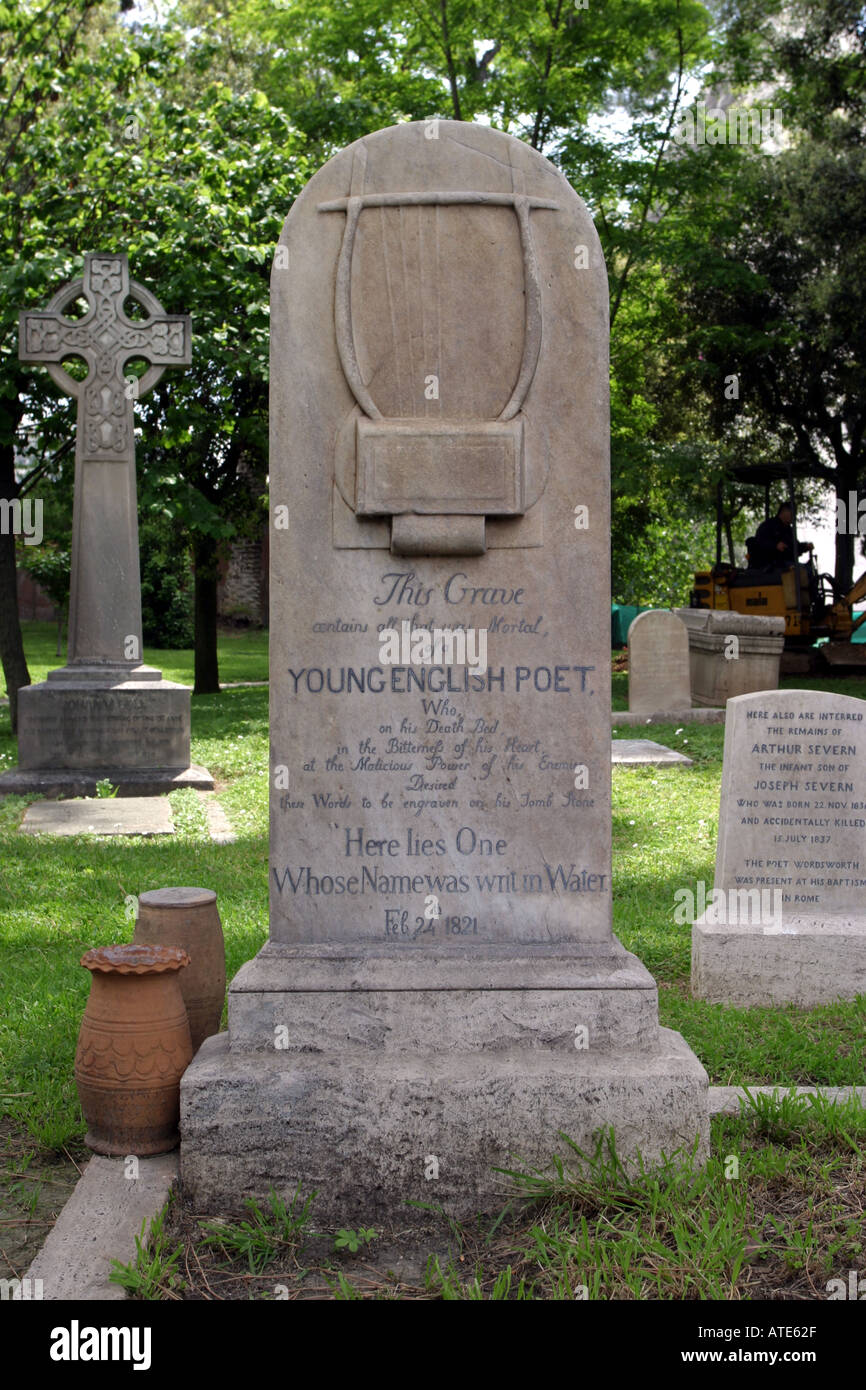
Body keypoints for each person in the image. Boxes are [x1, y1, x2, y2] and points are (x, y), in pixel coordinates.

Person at [753, 502, 813, 571]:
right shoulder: (768, 525)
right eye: (792, 512)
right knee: (805, 570)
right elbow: (759, 543)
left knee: (809, 570)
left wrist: (805, 546)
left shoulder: (789, 530)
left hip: (787, 563)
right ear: (784, 511)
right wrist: (775, 545)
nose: (794, 516)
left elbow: (794, 547)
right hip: (772, 565)